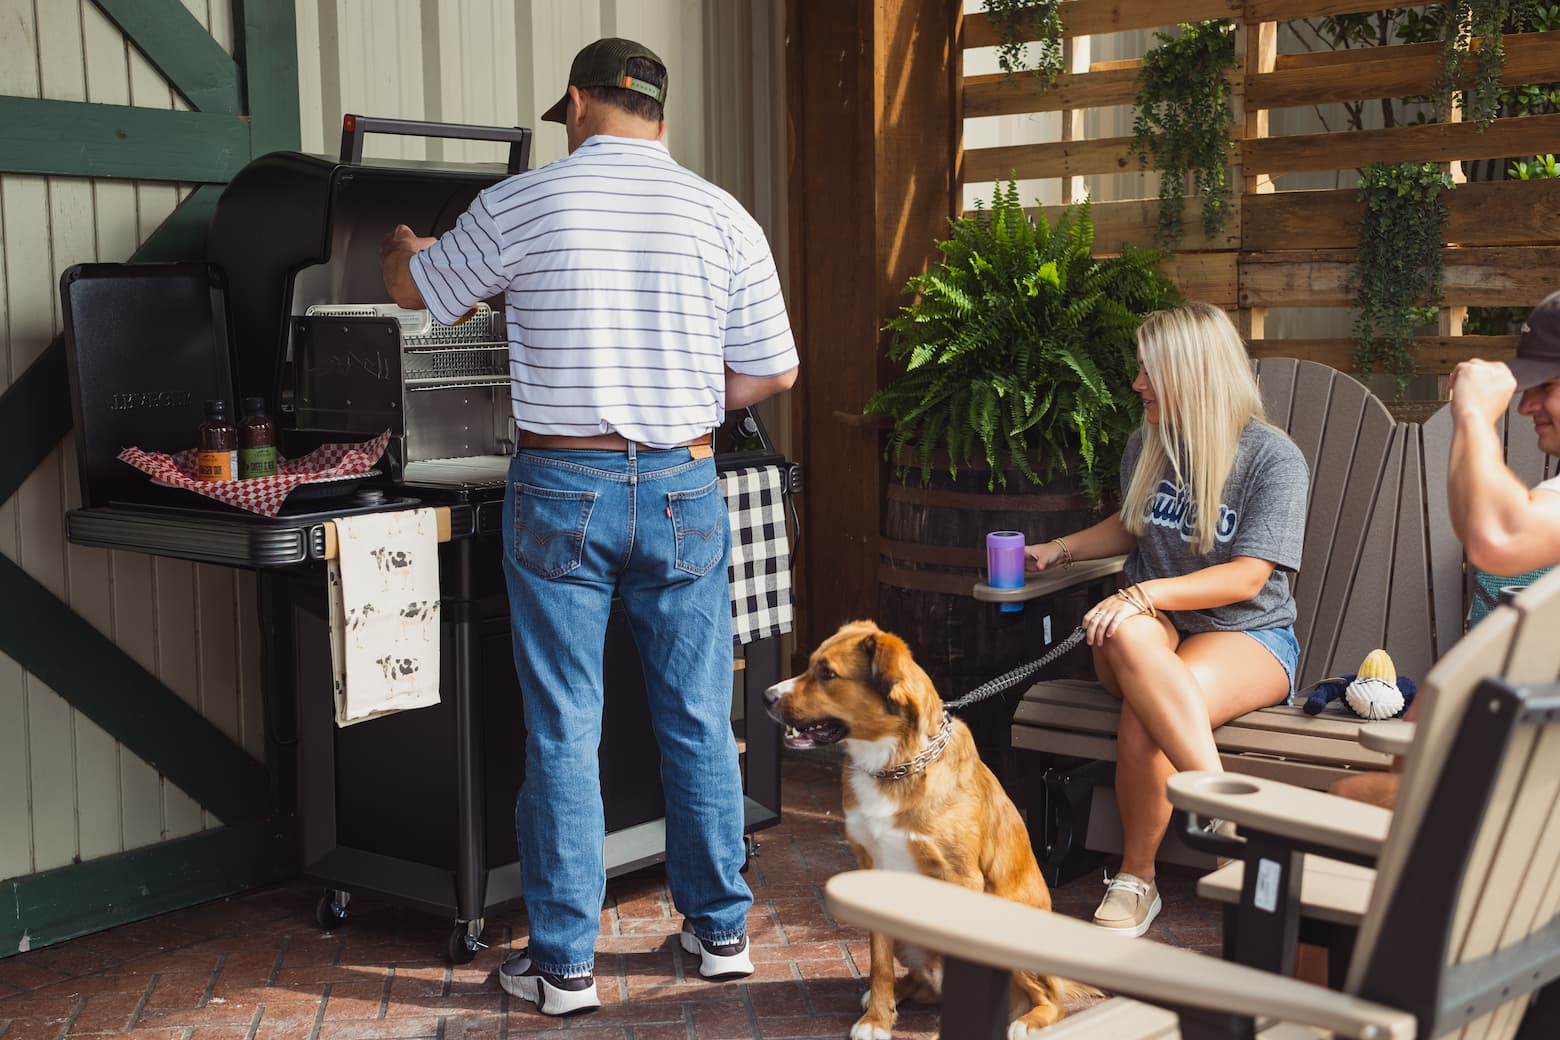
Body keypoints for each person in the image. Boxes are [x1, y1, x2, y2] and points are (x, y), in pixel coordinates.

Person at [380, 37, 798, 1017]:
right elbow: (774, 368)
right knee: (697, 713)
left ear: (577, 103)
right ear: (660, 114)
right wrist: (689, 403)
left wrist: (404, 246)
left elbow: (416, 293)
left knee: (564, 722)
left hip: (562, 483)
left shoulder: (523, 203)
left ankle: (563, 964)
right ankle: (721, 929)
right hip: (684, 482)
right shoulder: (720, 213)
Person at [1023, 302, 1309, 937]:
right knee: (1131, 639)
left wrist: (1143, 593)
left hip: (1248, 634)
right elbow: (1132, 525)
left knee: (1146, 709)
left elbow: (1248, 577)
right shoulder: (1146, 444)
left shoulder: (1272, 459)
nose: (1136, 383)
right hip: (1148, 632)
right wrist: (1062, 549)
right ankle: (1219, 802)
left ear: (1193, 371)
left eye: (1149, 370)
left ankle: (1137, 878)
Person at [1330, 290, 1560, 811]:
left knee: (1347, 804)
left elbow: (1495, 538)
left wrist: (1477, 417)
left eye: (1543, 386)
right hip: (1531, 785)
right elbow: (1481, 524)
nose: (1524, 407)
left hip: (1533, 801)